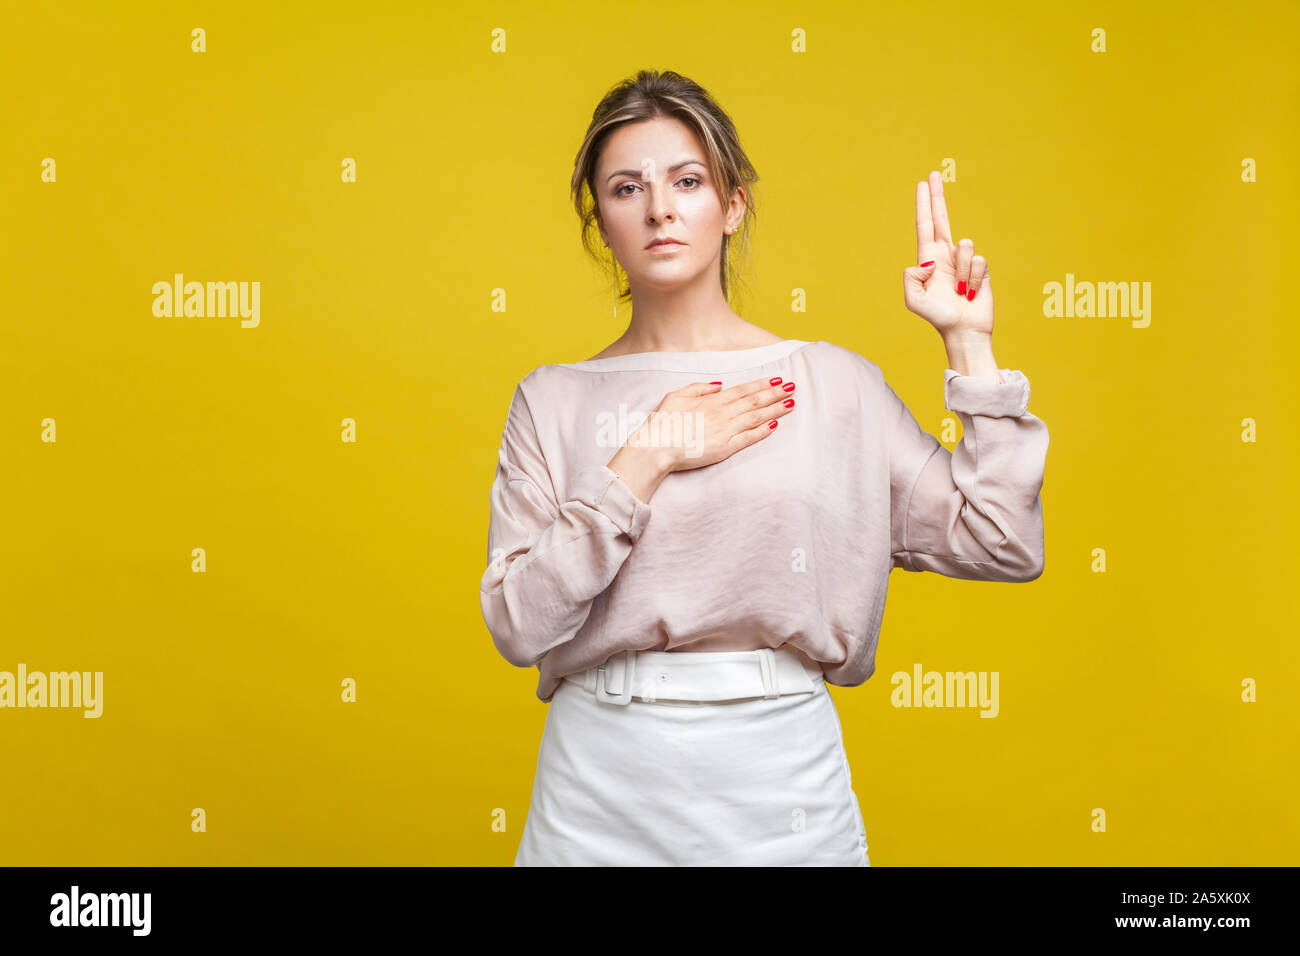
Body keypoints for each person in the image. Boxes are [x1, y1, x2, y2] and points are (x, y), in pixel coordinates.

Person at [478, 69, 1049, 866]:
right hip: (598, 793)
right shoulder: (552, 400)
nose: (659, 208)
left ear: (733, 202)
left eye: (687, 180)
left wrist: (969, 346)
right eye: (625, 188)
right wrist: (645, 457)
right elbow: (518, 624)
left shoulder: (832, 384)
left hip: (782, 786)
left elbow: (1001, 543)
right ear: (599, 220)